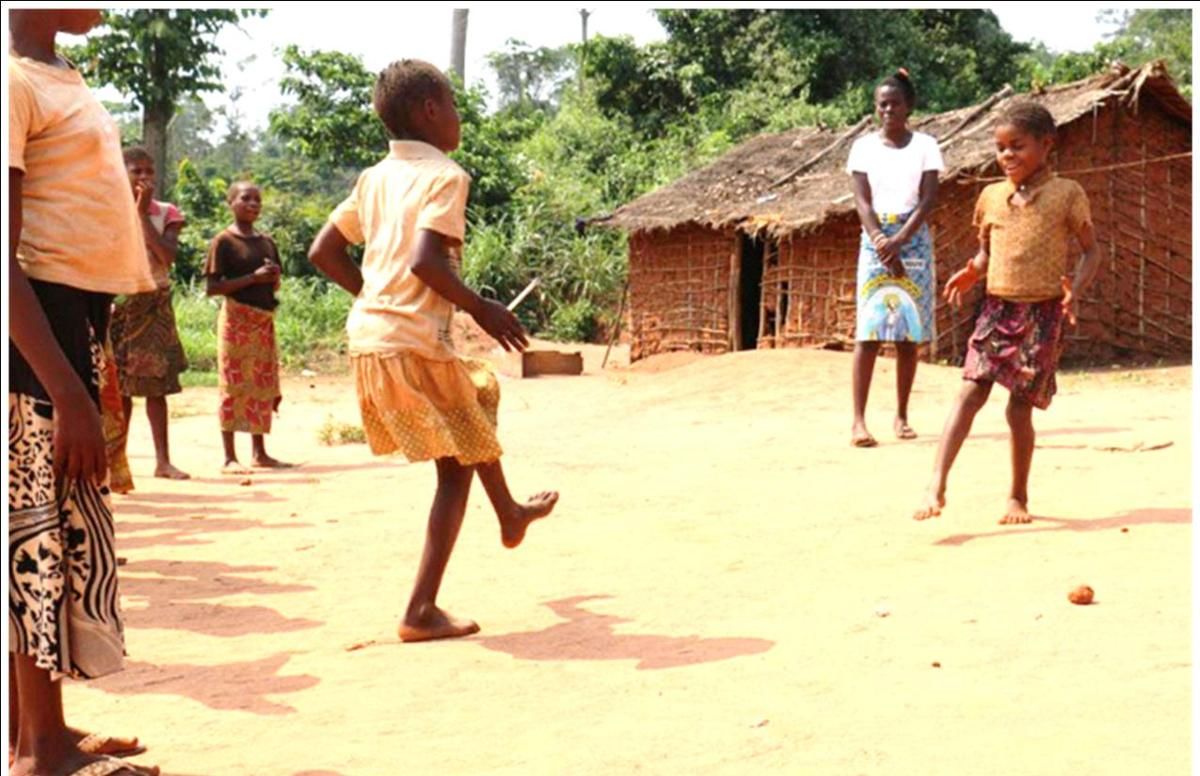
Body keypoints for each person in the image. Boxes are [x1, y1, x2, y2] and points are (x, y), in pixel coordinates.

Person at [307, 59, 558, 643]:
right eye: (452, 105)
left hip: (371, 340)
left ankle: (508, 512)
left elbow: (323, 251)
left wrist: (375, 298)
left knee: (475, 397)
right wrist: (482, 308)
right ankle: (420, 610)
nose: (457, 117)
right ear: (429, 111)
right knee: (454, 468)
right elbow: (425, 262)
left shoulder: (374, 177)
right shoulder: (445, 176)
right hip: (412, 341)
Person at [9, 9, 161, 775]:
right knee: (33, 539)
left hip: (70, 327)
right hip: (35, 334)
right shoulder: (11, 82)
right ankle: (40, 751)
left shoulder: (54, 75)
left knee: (51, 531)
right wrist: (67, 395)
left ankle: (39, 733)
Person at [914, 100, 1100, 525]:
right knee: (970, 391)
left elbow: (1092, 251)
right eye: (1000, 148)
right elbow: (986, 252)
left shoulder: (1067, 194)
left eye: (1017, 146)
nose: (1007, 155)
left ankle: (1018, 496)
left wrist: (1076, 290)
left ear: (1046, 144)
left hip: (1043, 313)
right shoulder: (991, 197)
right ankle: (936, 483)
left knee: (1019, 409)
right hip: (997, 309)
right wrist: (972, 272)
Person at [847, 68, 943, 447]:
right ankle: (858, 422)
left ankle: (902, 415)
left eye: (895, 103)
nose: (888, 110)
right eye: (882, 104)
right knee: (869, 333)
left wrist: (900, 241)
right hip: (874, 237)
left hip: (913, 238)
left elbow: (928, 199)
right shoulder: (862, 148)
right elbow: (861, 201)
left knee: (908, 333)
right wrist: (880, 240)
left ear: (909, 106)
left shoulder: (926, 146)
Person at [109, 145, 190, 481]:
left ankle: (163, 461)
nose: (144, 177)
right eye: (136, 171)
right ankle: (117, 462)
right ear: (122, 173)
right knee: (120, 387)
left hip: (154, 301)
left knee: (157, 385)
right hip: (119, 304)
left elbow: (166, 256)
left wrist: (142, 215)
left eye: (149, 171)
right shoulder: (109, 209)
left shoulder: (166, 212)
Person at [204, 181, 291, 473]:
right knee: (233, 383)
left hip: (262, 320)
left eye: (257, 199)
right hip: (236, 321)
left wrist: (272, 277)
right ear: (231, 202)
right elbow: (213, 288)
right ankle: (229, 457)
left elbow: (274, 284)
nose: (253, 204)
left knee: (262, 384)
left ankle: (259, 452)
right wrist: (252, 278)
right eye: (245, 198)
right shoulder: (223, 242)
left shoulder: (267, 242)